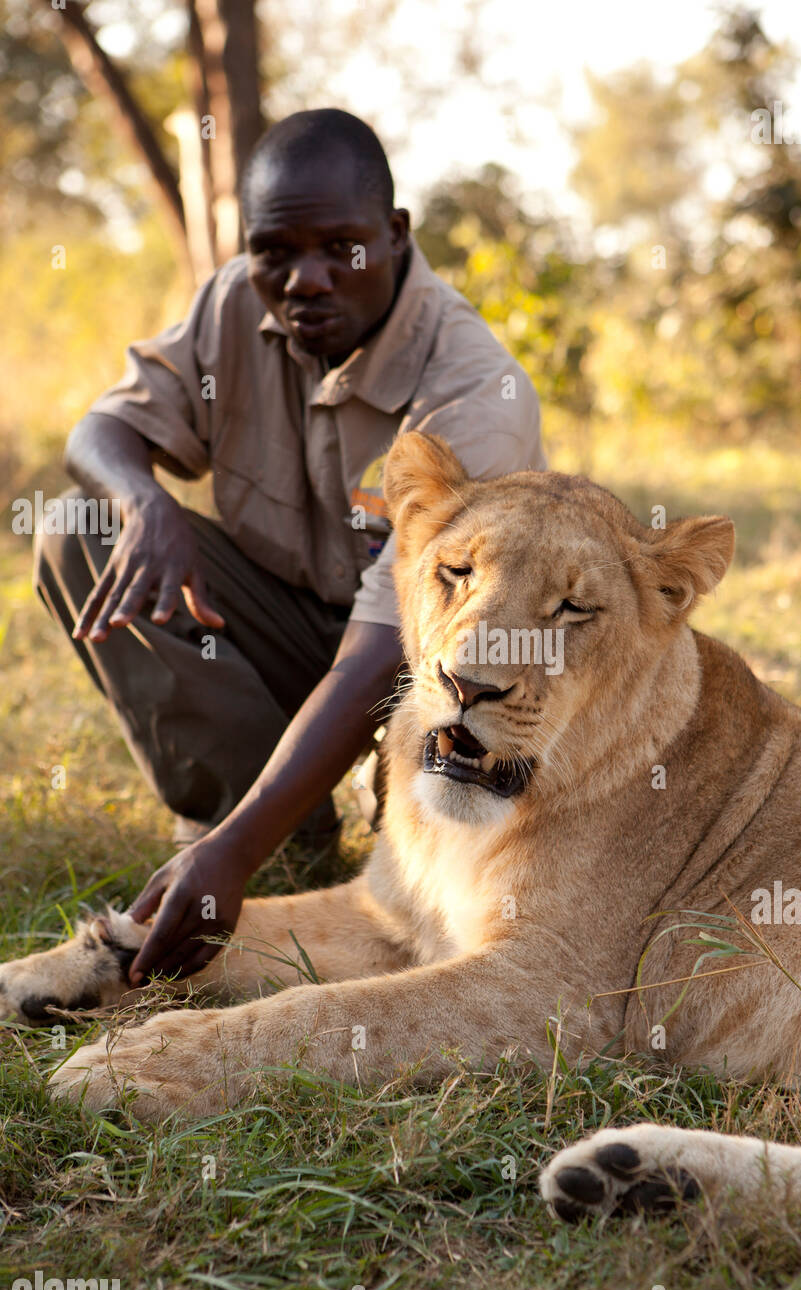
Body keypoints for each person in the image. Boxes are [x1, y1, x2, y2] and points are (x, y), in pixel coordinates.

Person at [34, 109, 546, 984]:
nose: (305, 279)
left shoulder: (475, 392)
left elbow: (388, 642)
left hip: (437, 674)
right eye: (275, 250)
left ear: (393, 236)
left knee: (420, 880)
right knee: (76, 528)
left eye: (340, 247)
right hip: (295, 622)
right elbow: (102, 429)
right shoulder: (233, 299)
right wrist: (146, 504)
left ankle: (253, 838)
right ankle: (262, 818)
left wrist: (235, 857)